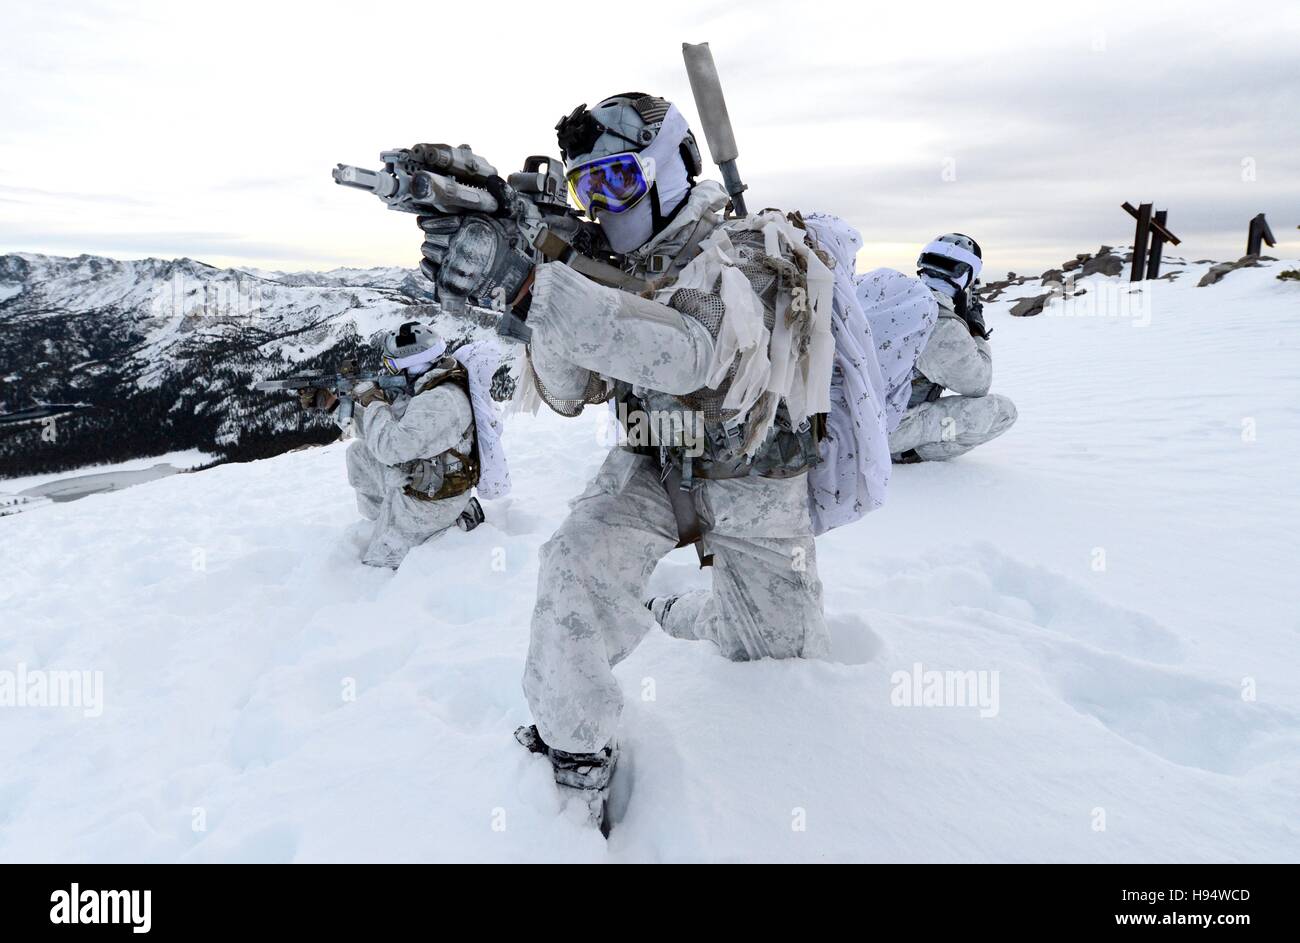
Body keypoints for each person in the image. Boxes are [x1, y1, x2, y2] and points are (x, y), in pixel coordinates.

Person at [418, 92, 849, 804]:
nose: (602, 204)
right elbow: (567, 391)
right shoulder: (595, 264)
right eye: (588, 188)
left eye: (618, 178)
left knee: (779, 656)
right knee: (572, 566)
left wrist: (543, 291)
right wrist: (537, 293)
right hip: (654, 460)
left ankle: (678, 608)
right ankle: (574, 749)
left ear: (674, 167)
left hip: (755, 478)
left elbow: (693, 354)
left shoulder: (748, 247)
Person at [299, 321, 493, 569]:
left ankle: (452, 519)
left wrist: (374, 402)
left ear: (412, 363)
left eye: (392, 365)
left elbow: (391, 448)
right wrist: (332, 405)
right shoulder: (423, 387)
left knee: (378, 565)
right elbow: (383, 430)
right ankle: (386, 518)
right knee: (360, 454)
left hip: (431, 500)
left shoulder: (440, 400)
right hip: (419, 476)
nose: (388, 371)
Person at [888, 234, 1017, 463]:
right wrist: (976, 330)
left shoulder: (886, 293)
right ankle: (906, 453)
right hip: (882, 434)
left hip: (838, 422)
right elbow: (978, 384)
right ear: (966, 277)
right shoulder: (941, 325)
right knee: (1003, 412)